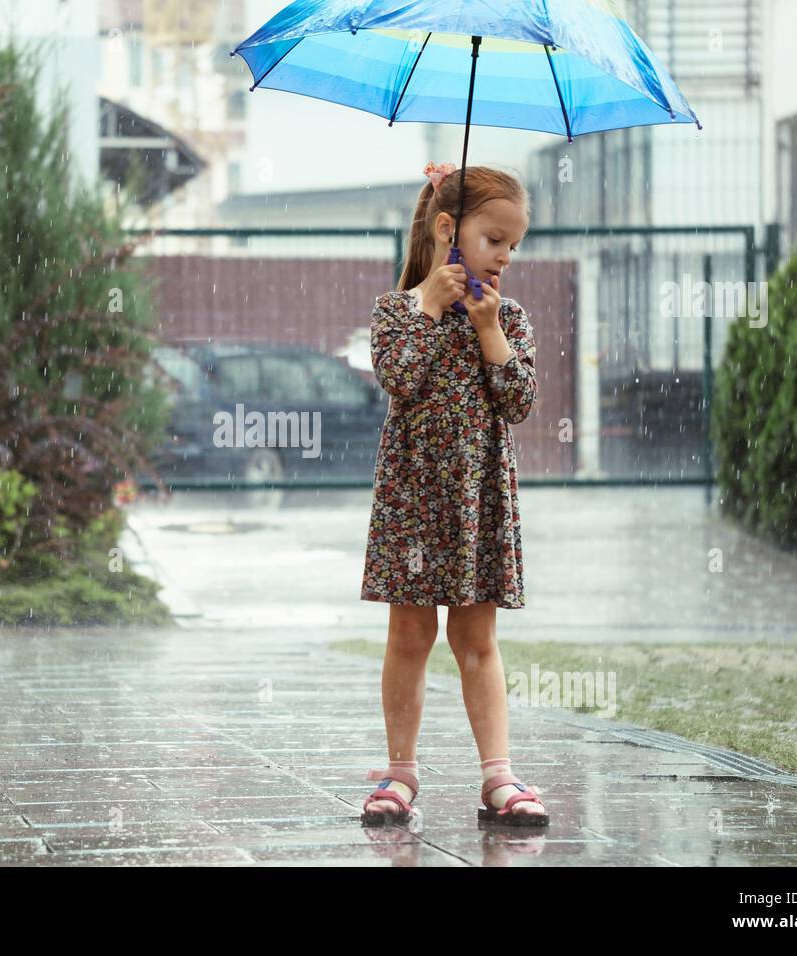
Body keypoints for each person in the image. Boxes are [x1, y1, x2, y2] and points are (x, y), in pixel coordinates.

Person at [357, 161, 549, 828]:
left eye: (513, 245)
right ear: (449, 229)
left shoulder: (510, 317)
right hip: (413, 499)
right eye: (495, 239)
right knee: (410, 634)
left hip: (477, 501)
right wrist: (430, 307)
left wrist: (490, 330)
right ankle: (399, 772)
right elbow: (398, 377)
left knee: (477, 638)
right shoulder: (395, 311)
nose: (506, 256)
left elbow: (519, 401)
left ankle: (498, 775)